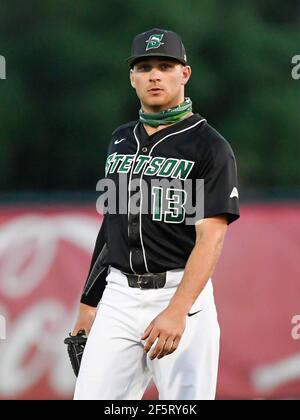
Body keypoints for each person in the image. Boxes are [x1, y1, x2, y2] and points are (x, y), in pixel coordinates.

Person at [72, 28, 240, 400]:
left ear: (185, 73)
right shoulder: (120, 138)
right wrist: (88, 304)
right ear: (132, 77)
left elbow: (211, 237)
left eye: (166, 65)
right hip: (118, 295)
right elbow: (111, 226)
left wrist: (178, 310)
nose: (154, 75)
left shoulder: (209, 146)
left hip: (180, 293)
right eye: (144, 66)